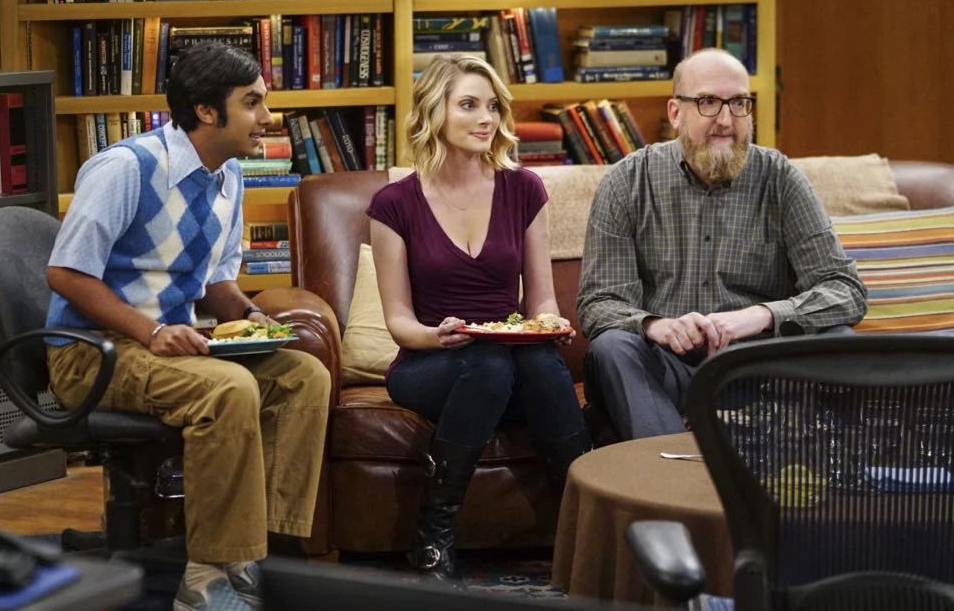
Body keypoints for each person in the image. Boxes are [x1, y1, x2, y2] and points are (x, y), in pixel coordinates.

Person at [44, 41, 330, 610]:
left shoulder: (229, 176)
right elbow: (66, 273)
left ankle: (265, 551)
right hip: (90, 352)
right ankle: (207, 581)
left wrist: (251, 317)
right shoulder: (126, 168)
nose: (268, 117)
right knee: (229, 388)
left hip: (170, 347)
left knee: (302, 376)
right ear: (205, 110)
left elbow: (217, 281)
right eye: (252, 103)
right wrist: (151, 332)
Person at [367, 54, 591, 583]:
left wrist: (548, 324)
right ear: (434, 111)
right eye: (468, 105)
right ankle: (434, 532)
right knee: (488, 362)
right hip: (429, 363)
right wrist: (437, 335)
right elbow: (399, 320)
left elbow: (541, 299)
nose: (486, 118)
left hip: (512, 364)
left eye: (492, 106)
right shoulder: (393, 204)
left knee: (534, 360)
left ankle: (585, 526)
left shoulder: (524, 189)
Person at [577, 48, 867, 441]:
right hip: (666, 369)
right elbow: (599, 303)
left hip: (762, 367)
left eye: (739, 103)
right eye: (708, 102)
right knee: (611, 348)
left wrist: (763, 315)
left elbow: (845, 290)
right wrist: (656, 325)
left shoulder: (781, 180)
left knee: (839, 342)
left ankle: (816, 467)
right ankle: (666, 470)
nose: (726, 120)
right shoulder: (627, 183)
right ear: (675, 112)